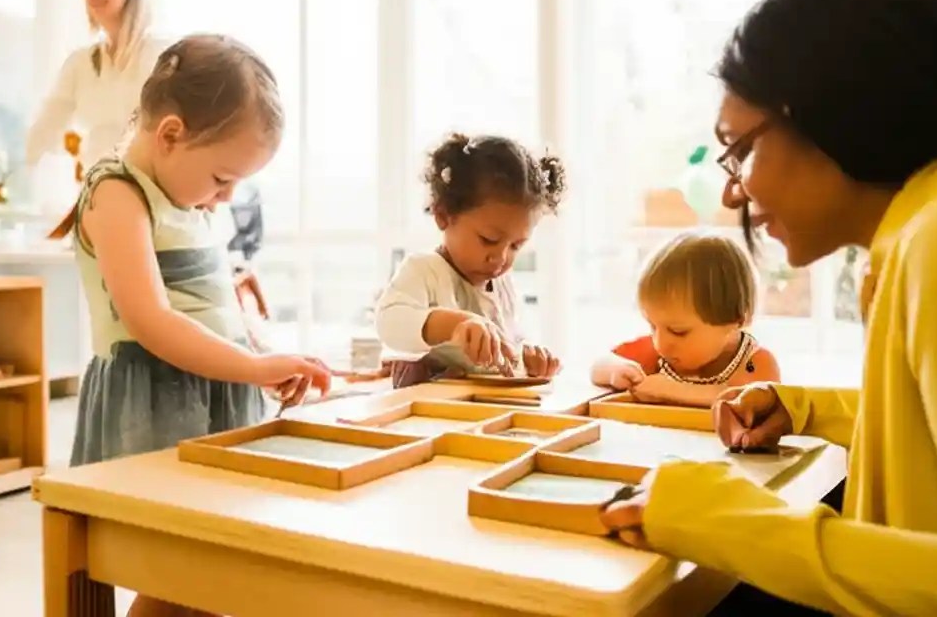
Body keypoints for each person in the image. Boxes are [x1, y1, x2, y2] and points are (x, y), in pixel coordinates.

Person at [600, 0, 937, 615]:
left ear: (831, 110)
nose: (733, 188)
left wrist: (727, 521)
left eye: (741, 149)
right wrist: (804, 408)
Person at [70, 33, 331, 617]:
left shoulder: (184, 200)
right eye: (221, 178)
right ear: (170, 134)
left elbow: (212, 305)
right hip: (154, 405)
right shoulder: (118, 193)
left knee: (214, 572)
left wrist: (264, 354)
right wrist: (253, 365)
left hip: (212, 399)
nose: (226, 196)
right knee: (173, 575)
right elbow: (152, 322)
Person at [375, 133, 566, 386]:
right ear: (443, 216)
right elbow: (389, 323)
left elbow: (510, 346)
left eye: (516, 246)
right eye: (488, 240)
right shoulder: (424, 270)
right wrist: (453, 324)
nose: (500, 258)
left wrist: (528, 358)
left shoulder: (502, 286)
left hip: (483, 412)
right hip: (430, 415)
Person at [590, 232, 779, 406]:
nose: (661, 344)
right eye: (653, 326)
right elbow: (598, 366)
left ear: (735, 321)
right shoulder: (656, 353)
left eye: (678, 331)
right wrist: (617, 370)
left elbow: (745, 398)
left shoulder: (754, 362)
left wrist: (669, 389)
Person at [25, 0, 169, 178]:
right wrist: (24, 167)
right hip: (100, 185)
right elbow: (48, 124)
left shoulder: (159, 55)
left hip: (151, 184)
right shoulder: (79, 63)